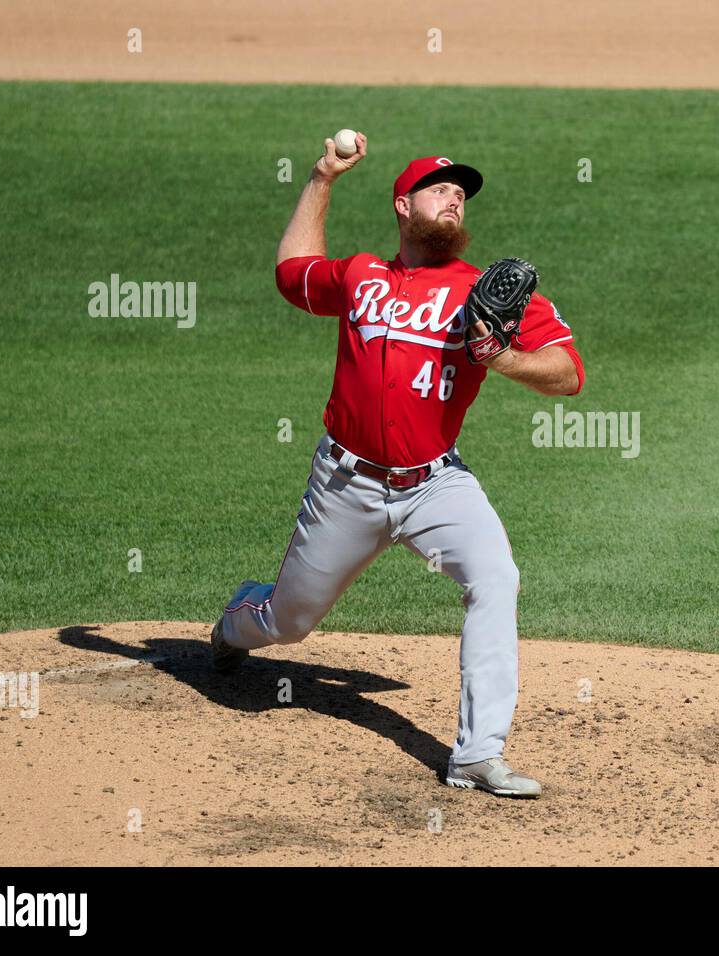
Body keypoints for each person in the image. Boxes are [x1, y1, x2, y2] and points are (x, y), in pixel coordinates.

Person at [208, 132, 585, 798]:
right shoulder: (360, 276)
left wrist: (502, 358)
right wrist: (323, 177)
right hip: (345, 484)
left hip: (437, 484)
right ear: (402, 206)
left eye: (461, 195)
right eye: (438, 189)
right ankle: (240, 617)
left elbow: (567, 374)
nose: (453, 199)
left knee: (497, 577)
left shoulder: (481, 294)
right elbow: (292, 272)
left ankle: (477, 755)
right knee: (289, 621)